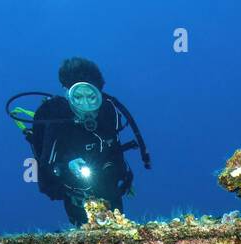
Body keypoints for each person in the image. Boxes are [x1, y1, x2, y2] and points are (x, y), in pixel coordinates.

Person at [8, 57, 151, 226]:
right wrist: (67, 164)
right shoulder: (55, 117)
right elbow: (47, 163)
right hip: (75, 194)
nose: (86, 105)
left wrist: (123, 176)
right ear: (67, 94)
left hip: (109, 187)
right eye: (78, 97)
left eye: (91, 97)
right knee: (84, 229)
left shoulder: (108, 112)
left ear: (100, 94)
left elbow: (115, 148)